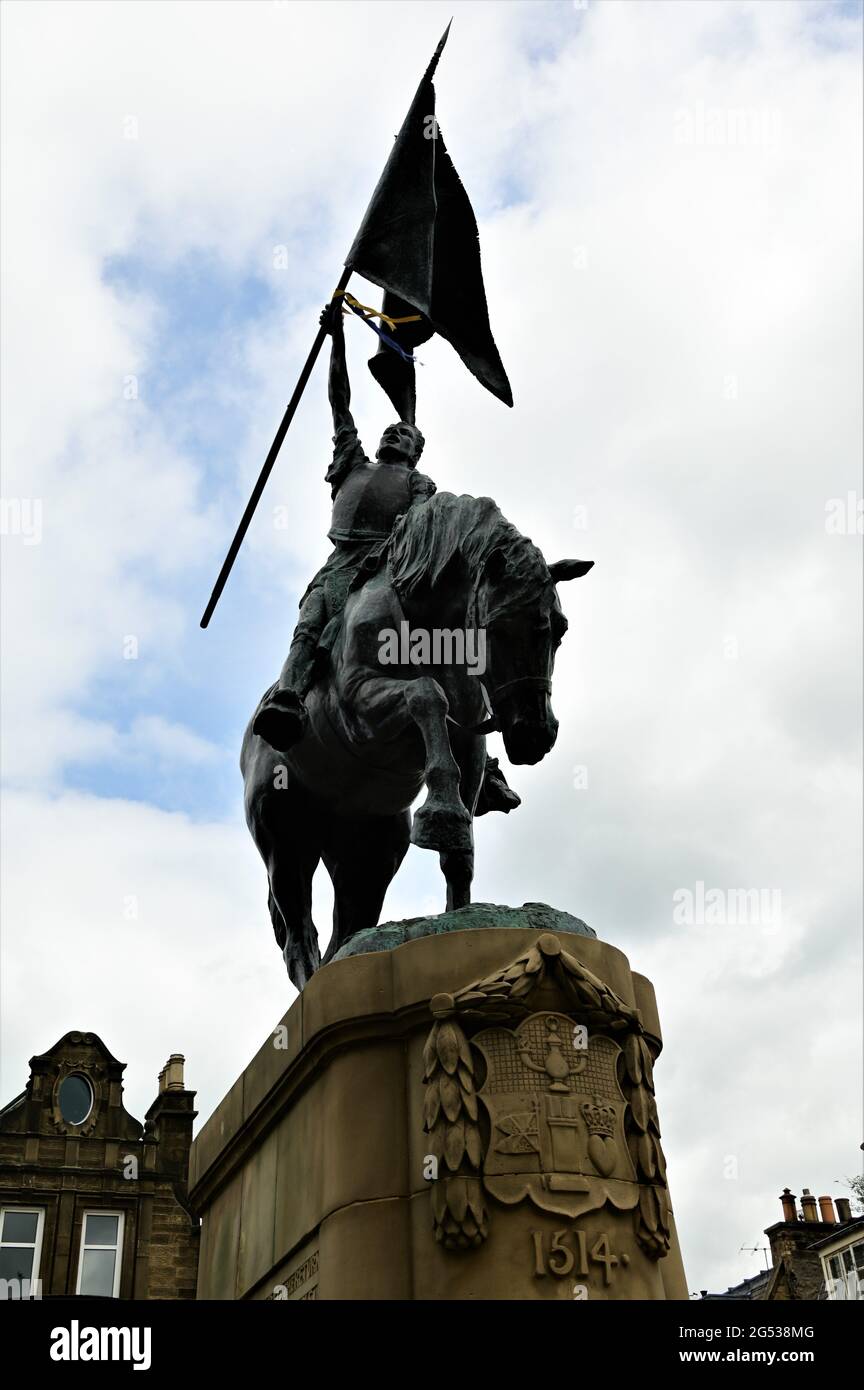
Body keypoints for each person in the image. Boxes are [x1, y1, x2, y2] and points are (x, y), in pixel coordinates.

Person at [252, 300, 519, 816]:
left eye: (407, 434)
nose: (397, 433)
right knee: (311, 622)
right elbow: (340, 404)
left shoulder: (420, 484)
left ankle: (481, 766)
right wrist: (337, 340)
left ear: (417, 450)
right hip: (344, 568)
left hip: (395, 570)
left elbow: (423, 530)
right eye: (394, 431)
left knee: (456, 641)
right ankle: (288, 697)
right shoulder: (352, 463)